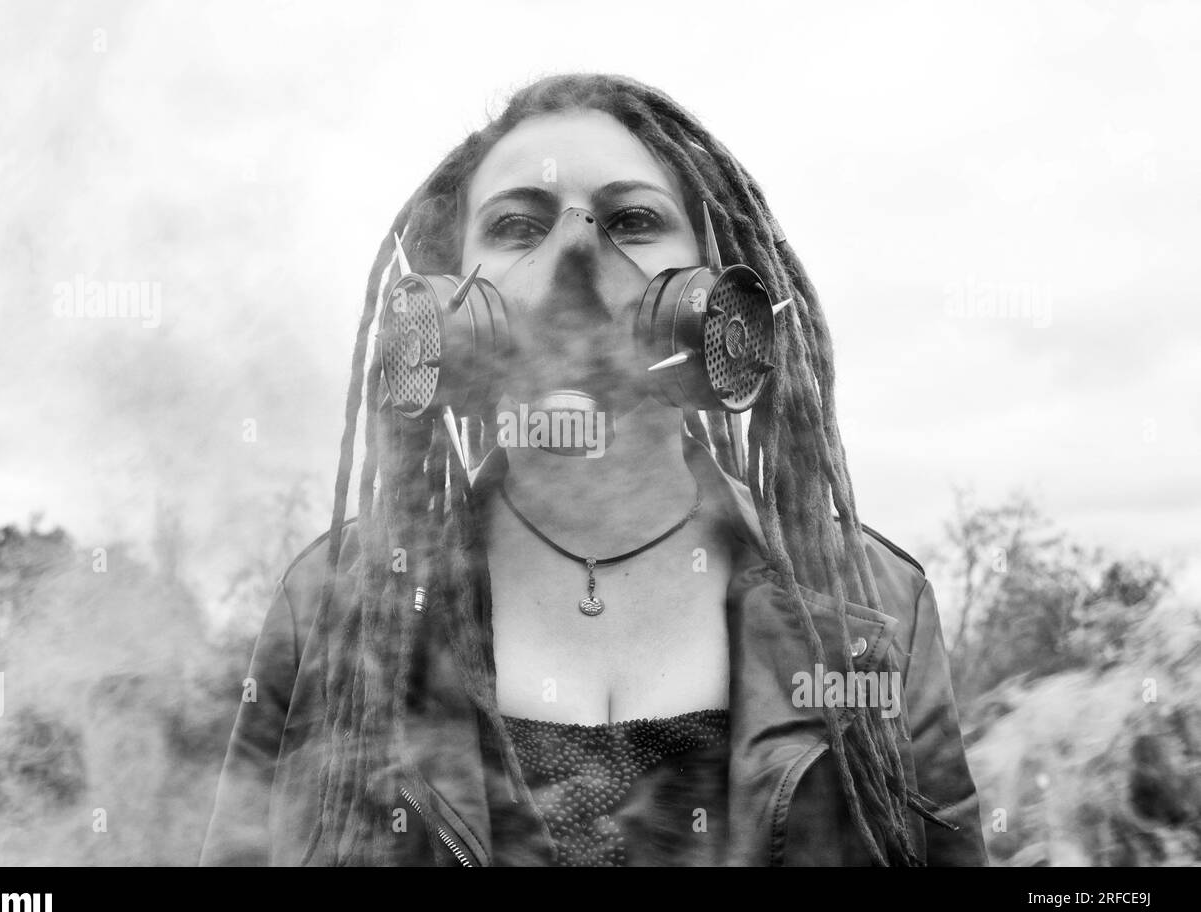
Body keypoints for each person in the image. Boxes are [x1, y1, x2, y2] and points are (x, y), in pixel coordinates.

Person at [200, 73, 988, 867]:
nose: (575, 258)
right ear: (452, 293)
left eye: (634, 220)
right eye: (515, 226)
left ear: (717, 275)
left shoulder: (871, 609)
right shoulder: (335, 603)